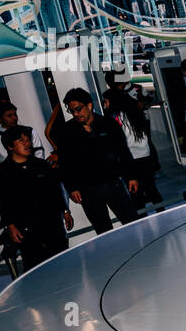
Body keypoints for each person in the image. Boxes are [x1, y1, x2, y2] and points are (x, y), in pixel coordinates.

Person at [52, 88, 140, 234]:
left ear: (90, 106)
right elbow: (65, 163)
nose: (75, 114)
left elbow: (123, 152)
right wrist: (72, 187)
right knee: (103, 230)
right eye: (71, 110)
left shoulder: (108, 124)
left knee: (131, 221)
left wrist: (131, 176)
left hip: (113, 183)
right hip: (87, 190)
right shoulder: (67, 131)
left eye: (78, 109)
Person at [0, 127, 73, 271]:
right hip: (27, 229)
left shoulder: (42, 165)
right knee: (36, 269)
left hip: (53, 224)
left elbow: (55, 191)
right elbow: (2, 202)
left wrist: (65, 211)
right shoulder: (0, 174)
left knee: (63, 263)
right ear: (10, 146)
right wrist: (11, 225)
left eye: (28, 140)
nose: (27, 144)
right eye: (21, 141)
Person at [103, 87, 163, 214]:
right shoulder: (133, 113)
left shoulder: (116, 118)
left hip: (131, 158)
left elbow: (122, 142)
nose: (105, 104)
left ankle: (143, 219)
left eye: (106, 101)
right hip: (144, 155)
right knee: (151, 188)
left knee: (136, 192)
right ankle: (162, 211)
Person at [0, 101, 47, 165]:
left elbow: (39, 151)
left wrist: (36, 168)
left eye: (15, 114)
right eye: (9, 116)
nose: (14, 118)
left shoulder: (29, 131)